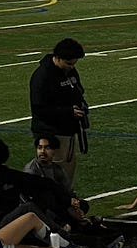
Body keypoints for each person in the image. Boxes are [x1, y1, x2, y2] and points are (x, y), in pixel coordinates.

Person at [0, 136, 78, 241]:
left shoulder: (9, 176)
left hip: (12, 223)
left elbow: (45, 183)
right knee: (28, 207)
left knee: (45, 195)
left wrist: (69, 201)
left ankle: (72, 224)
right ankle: (64, 237)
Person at [28, 37, 90, 185]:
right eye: (69, 63)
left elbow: (77, 91)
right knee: (54, 175)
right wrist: (68, 112)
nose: (71, 66)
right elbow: (39, 109)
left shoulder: (70, 71)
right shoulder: (42, 76)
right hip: (51, 132)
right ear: (58, 58)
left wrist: (82, 105)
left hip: (67, 131)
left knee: (67, 173)